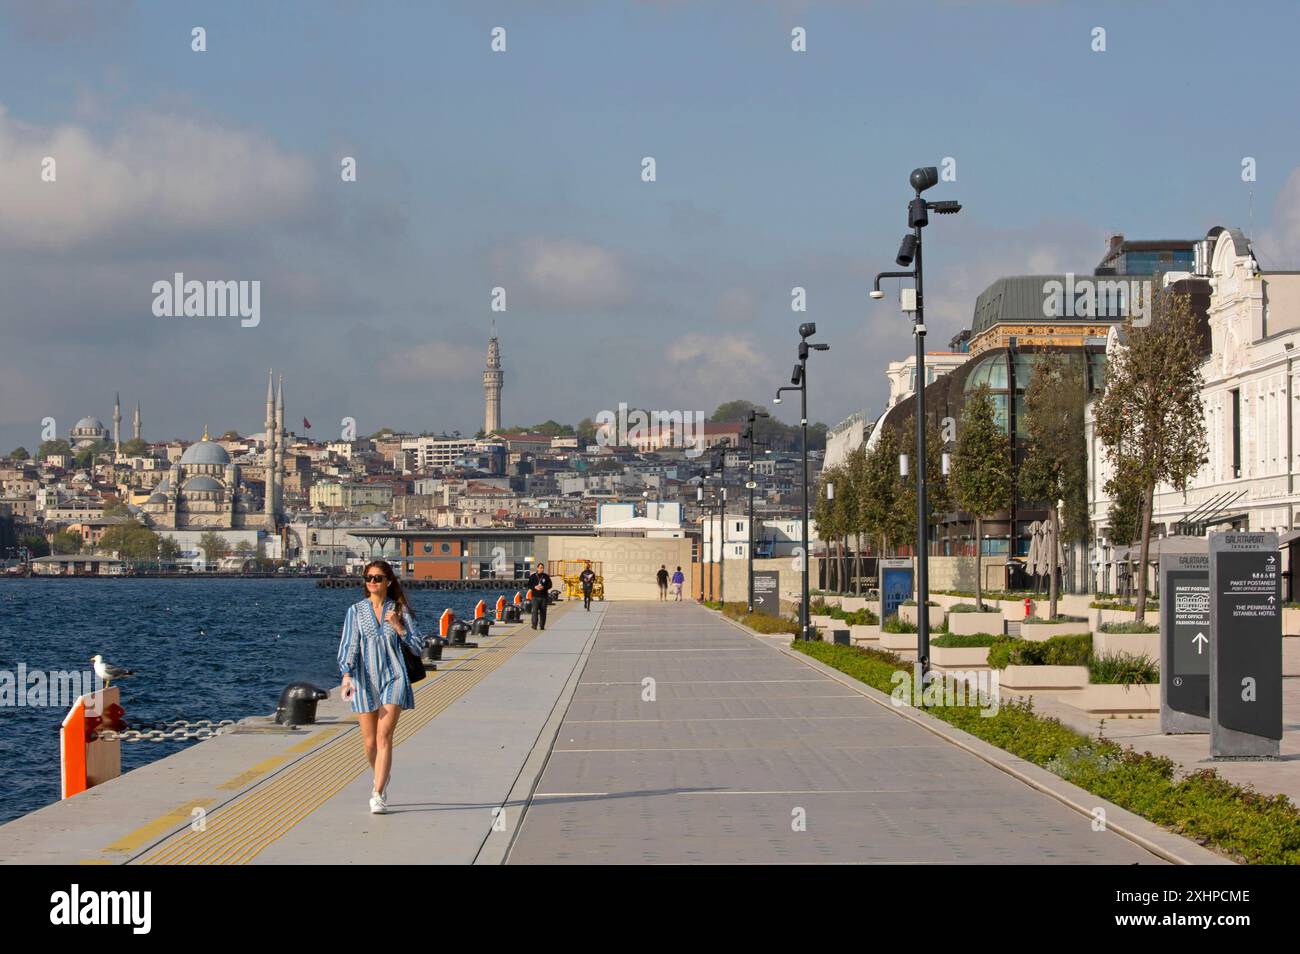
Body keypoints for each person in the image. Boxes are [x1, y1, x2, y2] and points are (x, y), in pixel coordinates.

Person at [337, 559, 427, 815]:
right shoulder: (355, 611)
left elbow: (418, 646)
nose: (372, 582)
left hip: (394, 677)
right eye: (368, 578)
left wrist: (399, 627)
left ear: (388, 581)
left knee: (383, 735)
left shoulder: (399, 610)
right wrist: (346, 674)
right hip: (364, 680)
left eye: (377, 578)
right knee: (369, 743)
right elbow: (349, 646)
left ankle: (378, 793)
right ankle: (381, 775)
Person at [527, 560, 553, 630]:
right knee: (534, 611)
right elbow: (529, 585)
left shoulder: (546, 576)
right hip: (535, 597)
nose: (541, 569)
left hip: (544, 597)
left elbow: (550, 585)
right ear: (537, 568)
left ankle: (542, 625)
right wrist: (535, 587)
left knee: (543, 612)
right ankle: (534, 625)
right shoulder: (533, 576)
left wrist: (543, 587)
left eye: (542, 568)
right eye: (540, 567)